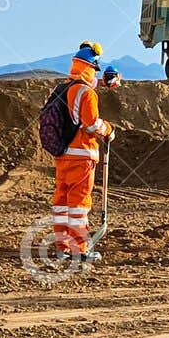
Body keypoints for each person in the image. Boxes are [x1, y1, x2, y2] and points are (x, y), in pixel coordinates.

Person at [51, 43, 113, 263]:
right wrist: (108, 129)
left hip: (61, 154)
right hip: (81, 156)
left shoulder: (63, 88)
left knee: (61, 201)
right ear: (90, 67)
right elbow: (91, 125)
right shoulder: (86, 92)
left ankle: (62, 247)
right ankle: (80, 249)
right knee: (79, 204)